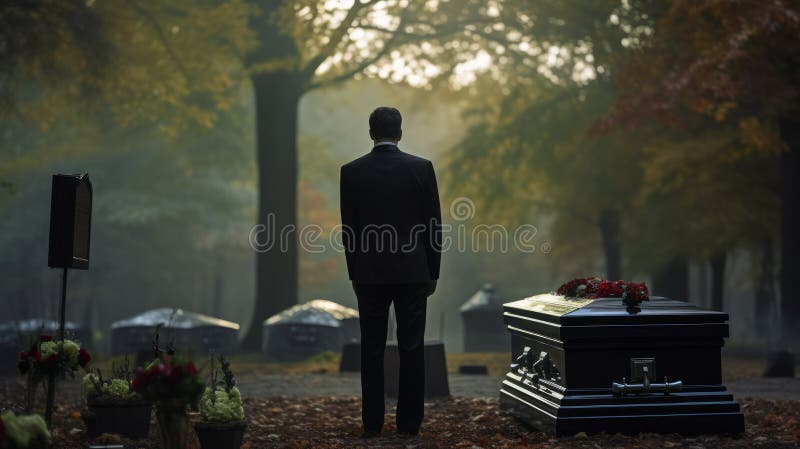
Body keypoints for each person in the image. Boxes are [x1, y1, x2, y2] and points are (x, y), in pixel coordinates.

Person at [340, 106, 442, 437]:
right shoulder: (421, 169)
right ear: (399, 132)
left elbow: (350, 230)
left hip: (370, 273)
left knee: (372, 349)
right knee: (412, 347)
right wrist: (433, 271)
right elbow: (433, 226)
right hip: (413, 271)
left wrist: (354, 271)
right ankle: (409, 424)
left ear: (371, 132)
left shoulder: (352, 172)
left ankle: (372, 423)